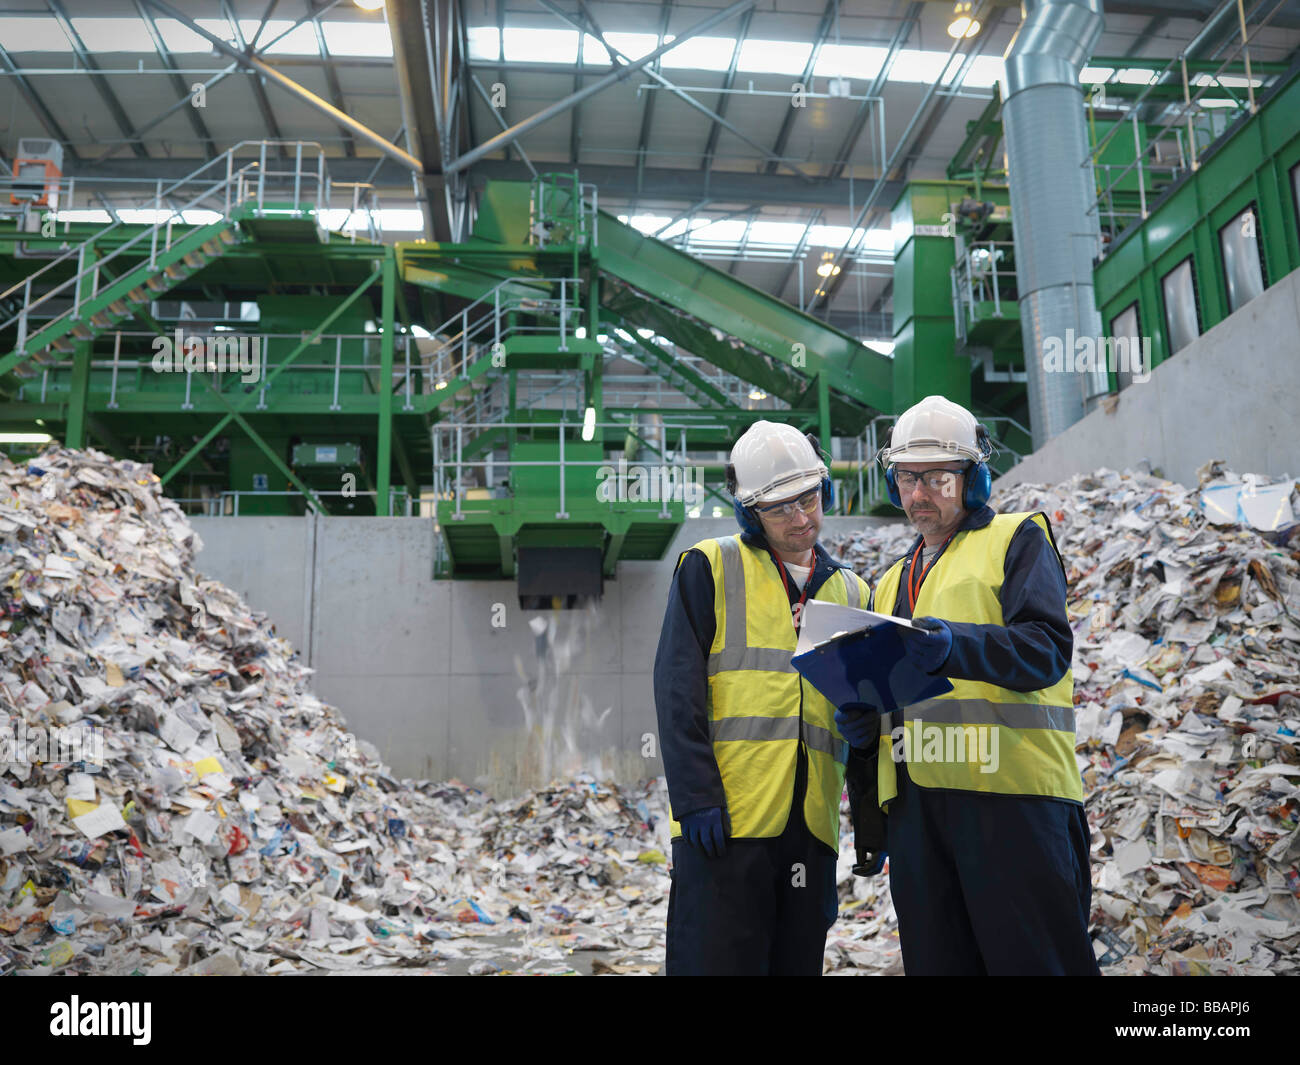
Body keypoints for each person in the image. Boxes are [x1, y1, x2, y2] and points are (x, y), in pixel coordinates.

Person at [834, 395, 1098, 976]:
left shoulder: (1015, 540)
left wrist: (958, 645)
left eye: (935, 478)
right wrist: (864, 728)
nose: (917, 494)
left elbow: (1046, 650)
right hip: (918, 817)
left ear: (972, 478)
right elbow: (892, 701)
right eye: (905, 477)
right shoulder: (887, 586)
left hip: (1012, 804)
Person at [653, 420, 874, 975]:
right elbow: (677, 690)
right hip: (727, 824)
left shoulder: (852, 590)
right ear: (750, 512)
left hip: (811, 827)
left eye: (810, 499)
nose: (802, 519)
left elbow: (867, 710)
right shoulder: (710, 566)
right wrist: (696, 798)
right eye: (781, 508)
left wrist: (870, 821)